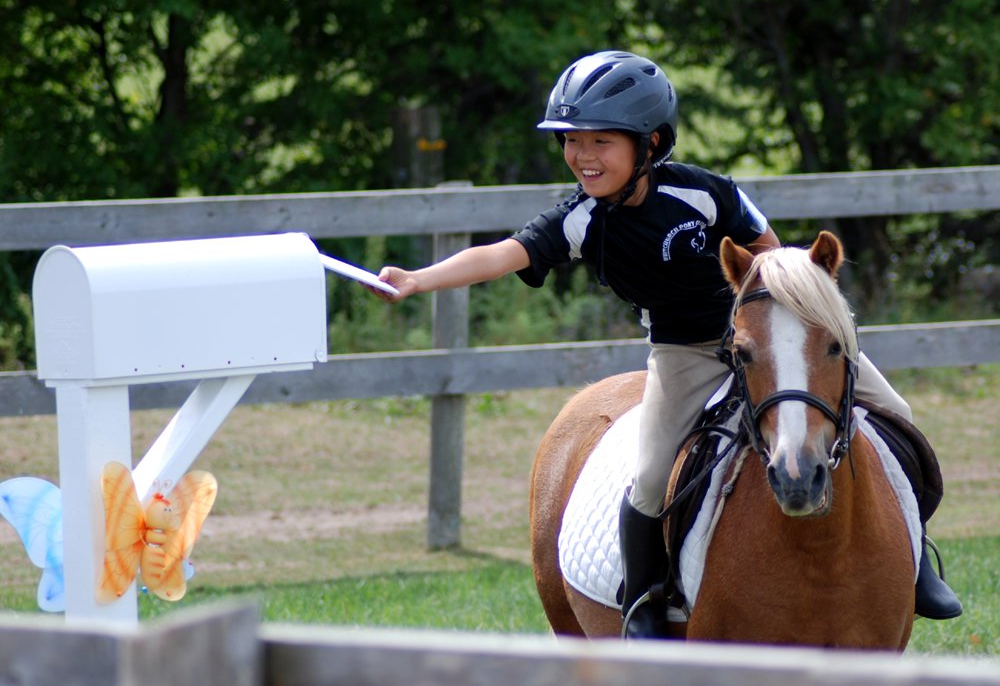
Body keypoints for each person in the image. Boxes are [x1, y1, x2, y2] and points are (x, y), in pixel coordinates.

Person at [372, 50, 961, 637]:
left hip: (769, 336)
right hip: (686, 356)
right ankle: (647, 600)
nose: (582, 155)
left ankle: (915, 568)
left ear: (650, 143)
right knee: (651, 476)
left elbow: (775, 260)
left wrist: (790, 327)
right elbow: (501, 254)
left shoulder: (706, 195)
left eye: (601, 141)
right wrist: (420, 279)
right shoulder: (580, 222)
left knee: (897, 418)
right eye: (572, 141)